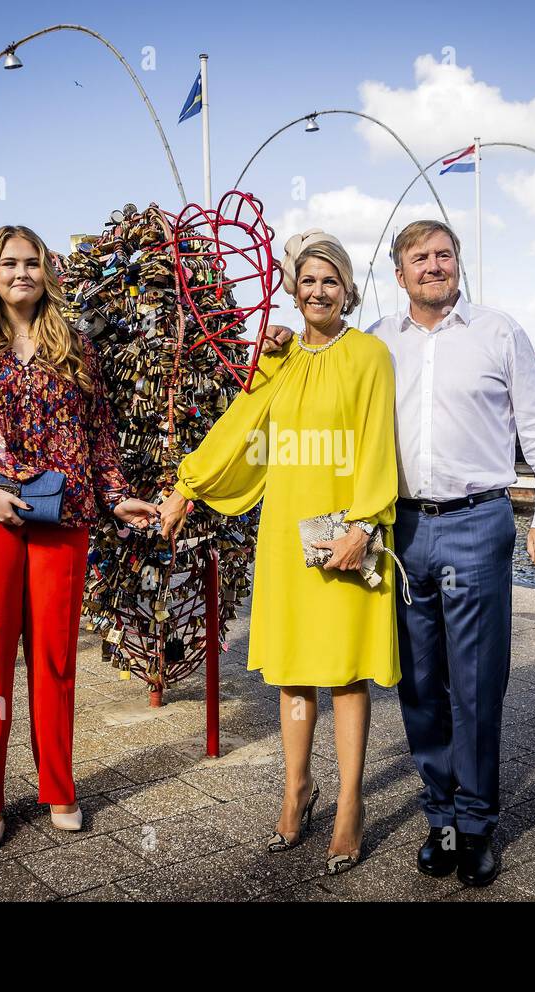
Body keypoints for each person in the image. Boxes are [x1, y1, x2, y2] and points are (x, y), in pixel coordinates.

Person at [263, 220, 535, 886]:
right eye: (419, 258)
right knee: (420, 685)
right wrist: (282, 347)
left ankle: (476, 824)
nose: (434, 266)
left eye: (444, 255)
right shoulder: (374, 341)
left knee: (476, 684)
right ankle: (438, 816)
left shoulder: (499, 332)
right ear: (399, 275)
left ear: (457, 265)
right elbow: (319, 376)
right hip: (396, 529)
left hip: (476, 521)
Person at [160, 230, 399, 874]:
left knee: (346, 673)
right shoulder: (281, 357)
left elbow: (380, 444)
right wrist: (187, 486)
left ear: (348, 289)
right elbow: (242, 431)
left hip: (348, 530)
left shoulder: (371, 355)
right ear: (292, 291)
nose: (318, 291)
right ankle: (296, 787)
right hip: (288, 531)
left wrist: (365, 523)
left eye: (331, 280)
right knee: (295, 671)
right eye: (308, 280)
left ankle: (350, 803)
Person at [0, 225, 159, 846]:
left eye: (32, 263)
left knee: (53, 659)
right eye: (9, 263)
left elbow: (99, 433)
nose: (21, 273)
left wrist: (116, 495)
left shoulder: (75, 346)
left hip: (62, 515)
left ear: (47, 271)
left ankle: (58, 786)